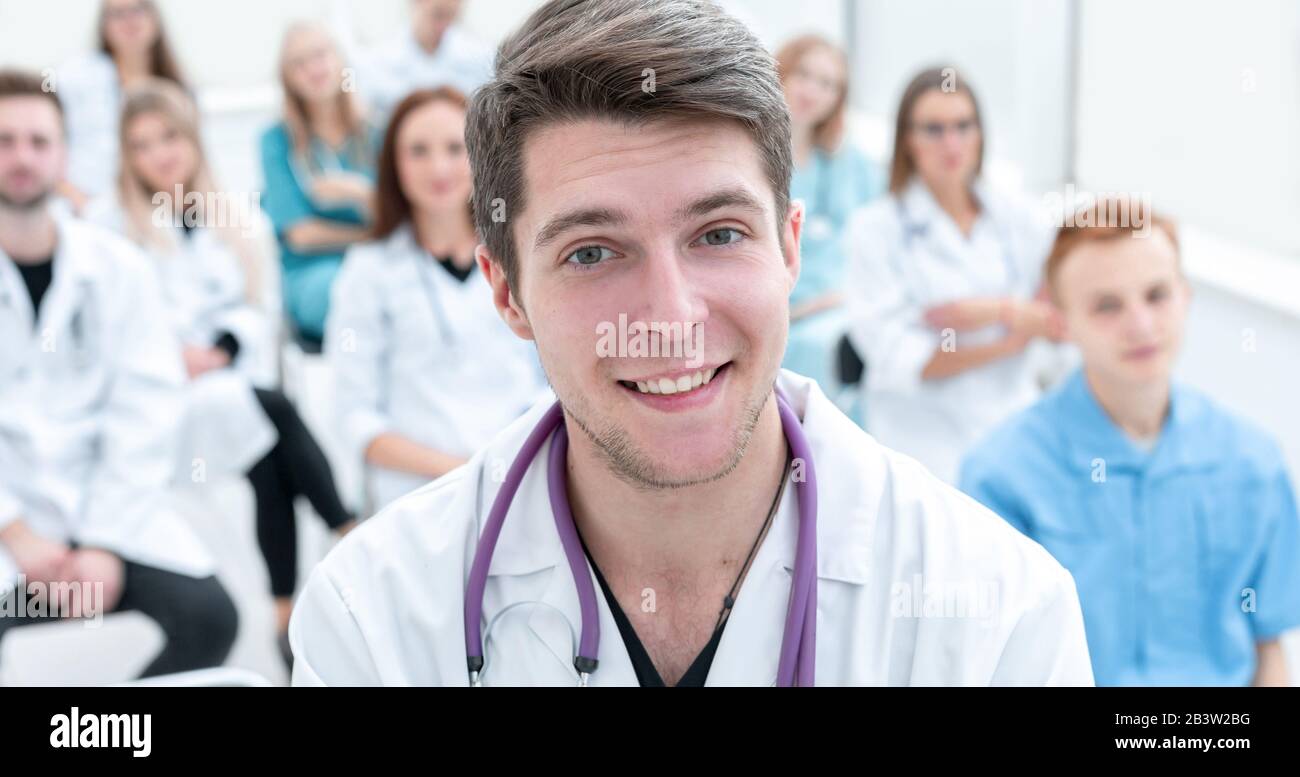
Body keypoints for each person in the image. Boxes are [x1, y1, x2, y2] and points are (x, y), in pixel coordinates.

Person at [289, 0, 1092, 687]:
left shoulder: (999, 615)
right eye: (592, 251)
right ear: (507, 292)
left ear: (790, 249)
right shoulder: (374, 621)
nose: (669, 316)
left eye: (718, 233)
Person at [960, 198, 1300, 686]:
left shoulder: (1254, 463)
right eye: (1107, 305)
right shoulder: (1000, 476)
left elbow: (1268, 645)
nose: (1140, 325)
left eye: (1157, 295)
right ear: (1060, 320)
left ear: (1186, 296)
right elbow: (992, 662)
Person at [85, 80, 356, 665]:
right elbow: (111, 334)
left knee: (266, 449)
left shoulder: (231, 215)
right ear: (126, 156)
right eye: (143, 144)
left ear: (193, 139)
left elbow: (256, 313)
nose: (161, 153)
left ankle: (284, 619)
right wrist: (171, 357)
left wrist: (223, 348)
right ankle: (350, 532)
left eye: (171, 136)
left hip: (223, 385)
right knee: (271, 414)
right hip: (159, 410)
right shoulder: (108, 230)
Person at [0, 70, 236, 678]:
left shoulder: (119, 270)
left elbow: (147, 410)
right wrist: (17, 533)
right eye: (4, 141)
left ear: (65, 155)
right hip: (10, 534)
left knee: (210, 618)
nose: (21, 158)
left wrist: (103, 541)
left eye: (37, 141)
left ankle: (105, 737)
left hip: (110, 519)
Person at [325, 88, 546, 512]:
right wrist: (461, 471)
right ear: (394, 164)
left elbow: (549, 383)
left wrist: (508, 467)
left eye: (453, 148)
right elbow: (356, 417)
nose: (439, 167)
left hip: (523, 482)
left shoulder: (519, 255)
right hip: (418, 497)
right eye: (418, 152)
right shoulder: (368, 270)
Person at [844, 67, 1060, 483]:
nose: (952, 143)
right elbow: (899, 358)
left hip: (1016, 418)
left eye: (964, 126)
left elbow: (1064, 322)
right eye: (934, 129)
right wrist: (1012, 328)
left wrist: (992, 312)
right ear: (907, 140)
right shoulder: (875, 230)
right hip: (923, 436)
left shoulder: (1021, 218)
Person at [261, 22, 379, 349]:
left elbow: (397, 214)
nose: (314, 69)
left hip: (378, 262)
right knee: (350, 298)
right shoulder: (276, 142)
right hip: (314, 272)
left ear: (341, 59)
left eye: (320, 55)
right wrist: (369, 236)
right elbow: (301, 235)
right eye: (299, 63)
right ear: (288, 79)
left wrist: (359, 192)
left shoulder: (375, 132)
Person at [775, 34, 882, 393]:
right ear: (782, 72)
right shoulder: (753, 155)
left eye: (828, 84)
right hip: (791, 316)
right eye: (804, 74)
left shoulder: (844, 163)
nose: (813, 90)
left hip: (842, 305)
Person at [56, 0, 187, 210]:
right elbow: (45, 143)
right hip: (84, 206)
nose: (129, 20)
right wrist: (80, 202)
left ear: (154, 18)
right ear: (103, 26)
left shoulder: (176, 89)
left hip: (156, 212)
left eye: (138, 10)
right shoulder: (76, 78)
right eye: (117, 14)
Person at [352, 0, 493, 125]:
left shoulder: (482, 58)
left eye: (452, 16)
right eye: (438, 14)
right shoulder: (375, 62)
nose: (445, 25)